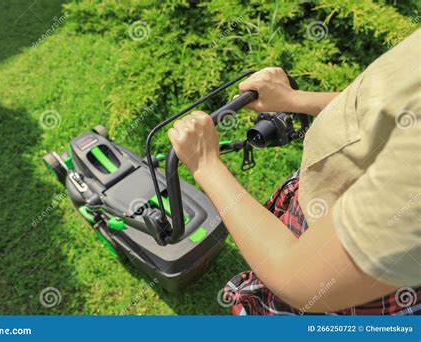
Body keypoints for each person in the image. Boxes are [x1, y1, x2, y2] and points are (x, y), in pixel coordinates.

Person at [167, 30, 421, 315]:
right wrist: (294, 99)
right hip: (322, 211)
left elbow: (300, 280)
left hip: (348, 296)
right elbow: (389, 106)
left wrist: (206, 165)